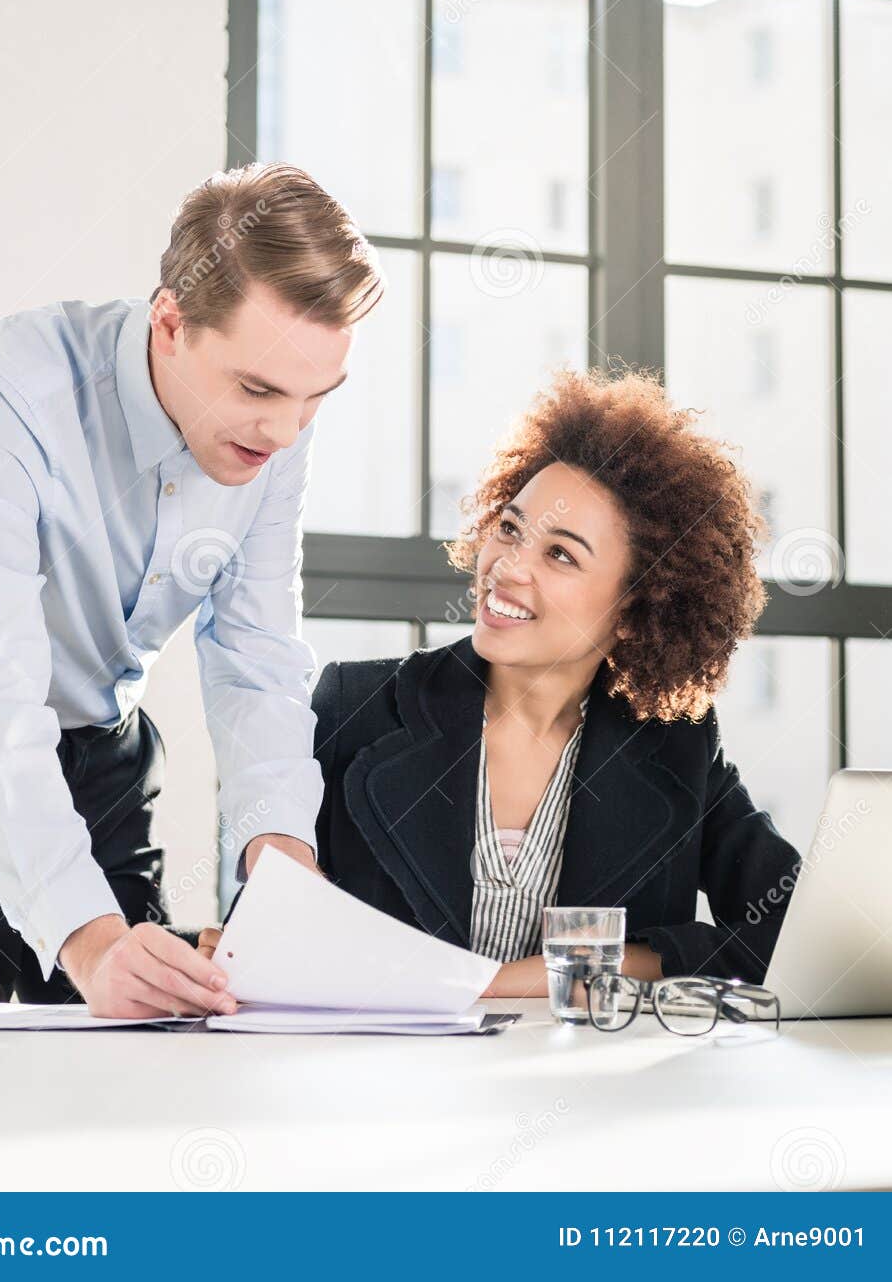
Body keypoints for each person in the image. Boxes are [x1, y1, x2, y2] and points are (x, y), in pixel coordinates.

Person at [0, 163, 382, 1016]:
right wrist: (85, 940)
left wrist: (280, 857)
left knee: (141, 1031)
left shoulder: (280, 420)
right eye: (259, 390)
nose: (284, 430)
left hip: (104, 749)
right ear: (171, 322)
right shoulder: (9, 390)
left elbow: (256, 655)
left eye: (316, 400)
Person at [200, 367, 803, 995]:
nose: (509, 566)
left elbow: (791, 934)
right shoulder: (359, 708)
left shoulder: (674, 745)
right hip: (380, 1087)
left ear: (636, 608)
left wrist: (530, 978)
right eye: (511, 528)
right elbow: (268, 940)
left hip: (594, 1091)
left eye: (561, 554)